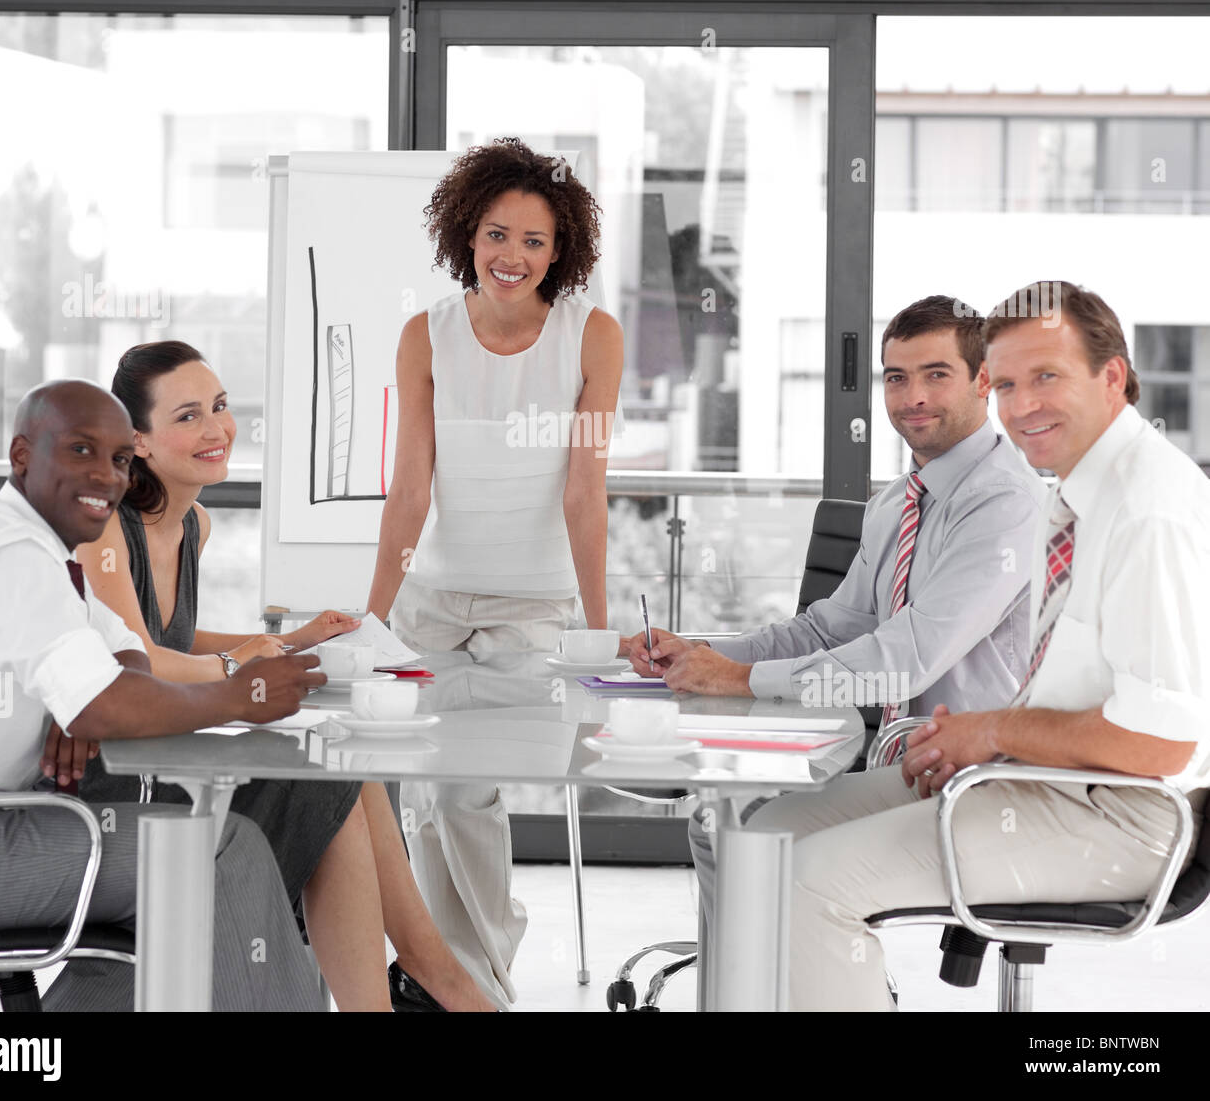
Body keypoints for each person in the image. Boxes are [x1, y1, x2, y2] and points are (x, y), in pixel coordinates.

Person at [703, 281, 1210, 1010]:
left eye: (1046, 377)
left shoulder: (1147, 510)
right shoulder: (1075, 496)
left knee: (806, 878)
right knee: (764, 836)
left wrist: (995, 729)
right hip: (1041, 777)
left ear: (1112, 376)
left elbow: (1159, 744)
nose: (1022, 405)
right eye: (1006, 383)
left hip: (1121, 816)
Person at [74, 340, 495, 1012]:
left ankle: (418, 983)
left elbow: (172, 637)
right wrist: (244, 666)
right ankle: (433, 980)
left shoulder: (194, 527)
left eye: (219, 406)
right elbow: (139, 661)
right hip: (119, 774)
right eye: (187, 416)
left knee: (336, 776)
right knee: (328, 780)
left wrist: (282, 642)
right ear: (140, 443)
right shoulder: (107, 532)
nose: (216, 429)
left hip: (172, 751)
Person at [628, 296, 1046, 928]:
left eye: (937, 374)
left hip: (975, 772)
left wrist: (738, 679)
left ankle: (791, 984)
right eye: (896, 377)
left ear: (983, 379)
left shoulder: (1005, 503)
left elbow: (903, 660)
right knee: (723, 824)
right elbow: (828, 628)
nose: (913, 397)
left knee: (764, 844)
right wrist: (702, 654)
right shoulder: (896, 503)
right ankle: (750, 995)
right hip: (890, 750)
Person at [0, 380, 325, 1012]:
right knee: (212, 853)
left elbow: (126, 649)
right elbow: (106, 697)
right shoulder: (9, 553)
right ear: (22, 454)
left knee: (218, 842)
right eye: (81, 451)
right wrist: (240, 698)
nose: (106, 476)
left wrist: (80, 703)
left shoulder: (46, 554)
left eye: (120, 460)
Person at [365, 137, 624, 1006]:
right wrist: (373, 621)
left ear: (562, 253)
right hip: (434, 601)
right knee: (428, 795)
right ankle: (463, 973)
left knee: (461, 787)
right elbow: (409, 490)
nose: (512, 256)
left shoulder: (593, 336)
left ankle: (470, 980)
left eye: (534, 241)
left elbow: (585, 492)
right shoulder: (425, 335)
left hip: (533, 606)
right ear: (466, 234)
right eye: (497, 235)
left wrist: (595, 631)